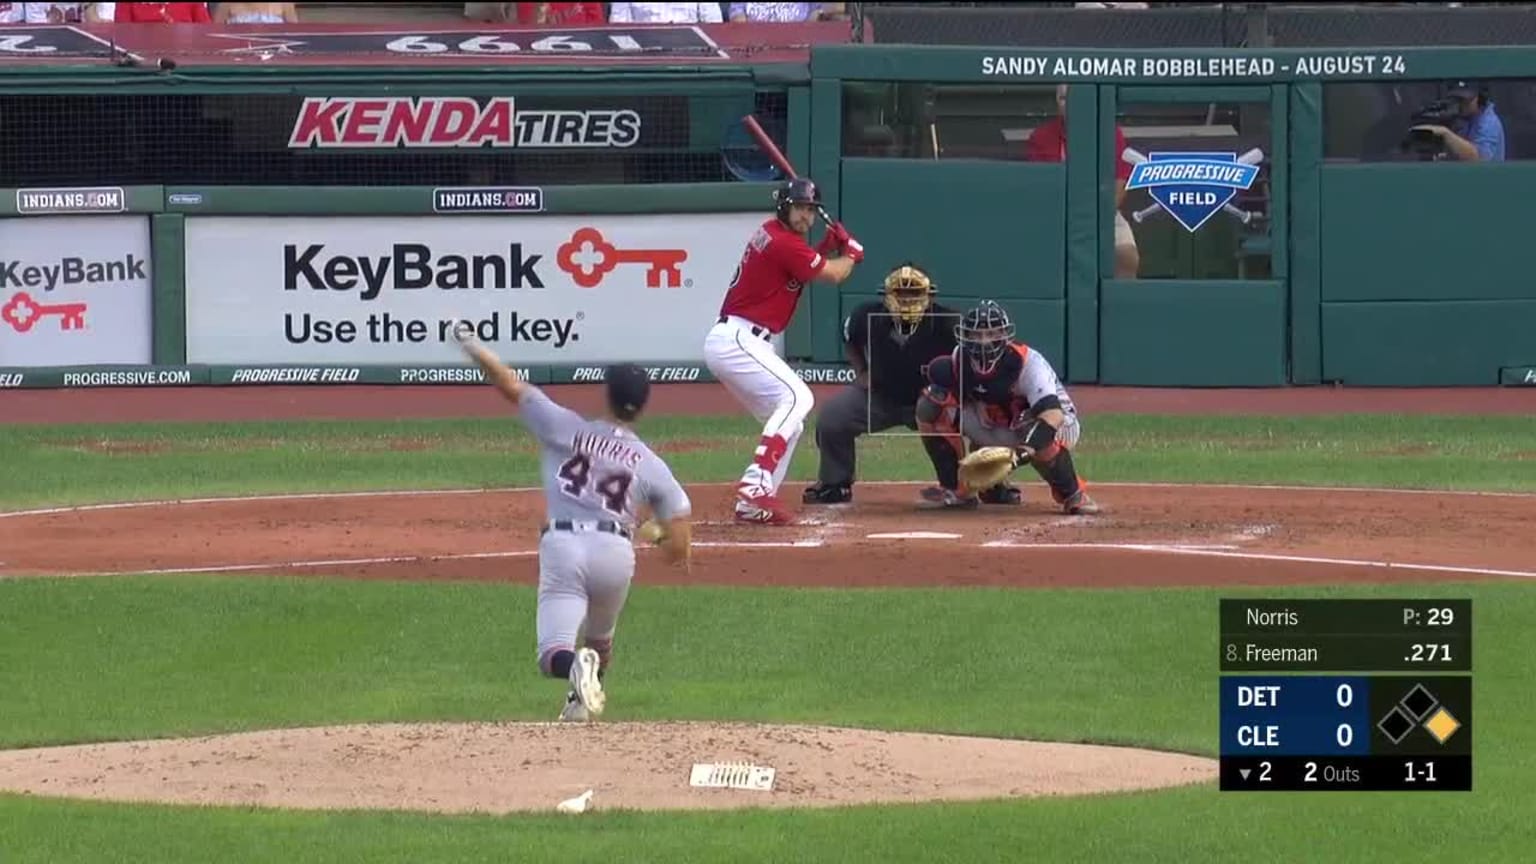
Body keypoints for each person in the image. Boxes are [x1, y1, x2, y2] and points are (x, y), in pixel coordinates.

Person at [453, 323, 693, 722]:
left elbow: (509, 383)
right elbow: (679, 550)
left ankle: (573, 671)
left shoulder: (565, 427)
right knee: (600, 648)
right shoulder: (653, 465)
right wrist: (656, 535)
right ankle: (577, 705)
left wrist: (471, 344)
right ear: (644, 404)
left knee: (554, 654)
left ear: (607, 395)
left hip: (563, 548)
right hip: (616, 554)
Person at [703, 177, 862, 525]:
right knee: (798, 398)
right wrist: (850, 253)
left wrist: (824, 247)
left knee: (791, 421)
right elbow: (833, 274)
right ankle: (756, 482)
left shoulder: (778, 237)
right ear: (784, 207)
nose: (805, 216)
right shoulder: (782, 242)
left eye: (810, 210)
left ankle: (753, 505)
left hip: (739, 339)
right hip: (739, 338)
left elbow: (798, 273)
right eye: (799, 208)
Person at [914, 300, 1101, 515]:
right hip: (998, 422)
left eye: (992, 334)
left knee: (1030, 420)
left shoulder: (1029, 363)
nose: (984, 342)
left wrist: (1024, 451)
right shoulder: (959, 358)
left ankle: (1073, 493)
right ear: (965, 336)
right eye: (976, 335)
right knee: (930, 403)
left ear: (1004, 335)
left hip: (1056, 426)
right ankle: (956, 489)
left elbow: (1053, 414)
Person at [802, 262, 966, 504]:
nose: (907, 300)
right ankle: (835, 483)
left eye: (914, 293)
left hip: (931, 400)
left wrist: (951, 395)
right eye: (901, 293)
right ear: (887, 295)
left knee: (978, 418)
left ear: (930, 295)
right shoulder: (865, 316)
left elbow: (966, 360)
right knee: (833, 416)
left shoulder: (949, 323)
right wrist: (862, 371)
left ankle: (960, 485)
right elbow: (850, 339)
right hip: (881, 395)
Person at [1027, 83, 1139, 279]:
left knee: (1126, 257)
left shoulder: (1109, 132)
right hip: (1056, 215)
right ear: (1056, 103)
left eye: (1074, 98)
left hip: (1102, 212)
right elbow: (1041, 189)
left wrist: (1099, 219)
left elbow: (1120, 182)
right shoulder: (1041, 137)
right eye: (1063, 99)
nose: (1069, 104)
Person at [1411, 80, 1506, 162]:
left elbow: (1480, 160)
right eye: (1458, 99)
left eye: (1465, 100)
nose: (1461, 104)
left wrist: (1445, 133)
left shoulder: (1488, 122)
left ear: (1480, 97)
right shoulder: (1465, 119)